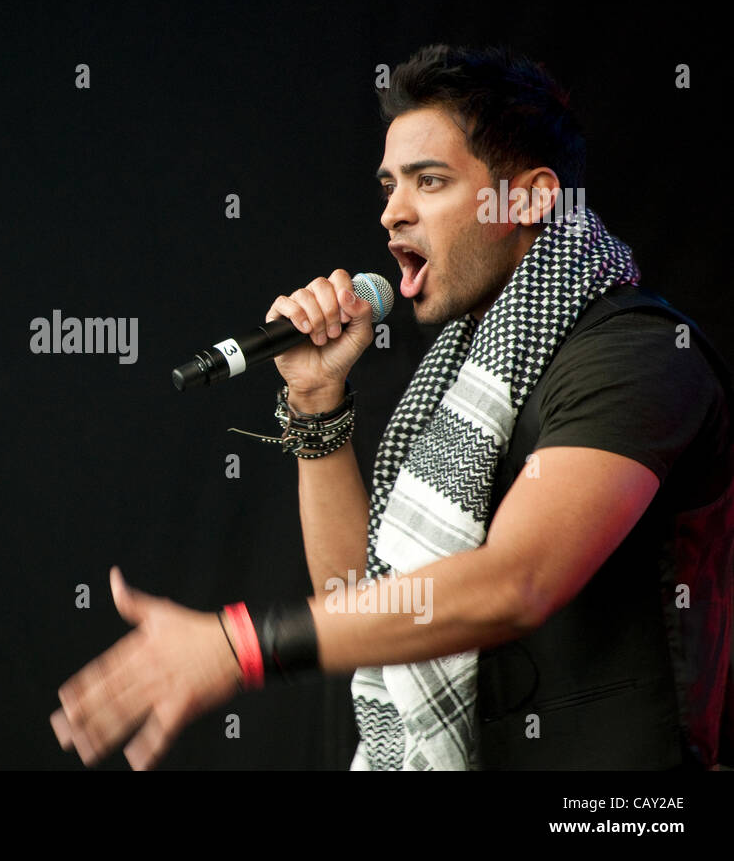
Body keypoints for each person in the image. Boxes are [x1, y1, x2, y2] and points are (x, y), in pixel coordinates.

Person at [48, 44, 734, 771]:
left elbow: (517, 582)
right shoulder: (462, 372)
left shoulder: (642, 355)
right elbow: (365, 598)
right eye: (387, 187)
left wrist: (237, 645)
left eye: (428, 181)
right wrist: (314, 399)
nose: (392, 214)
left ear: (530, 197)